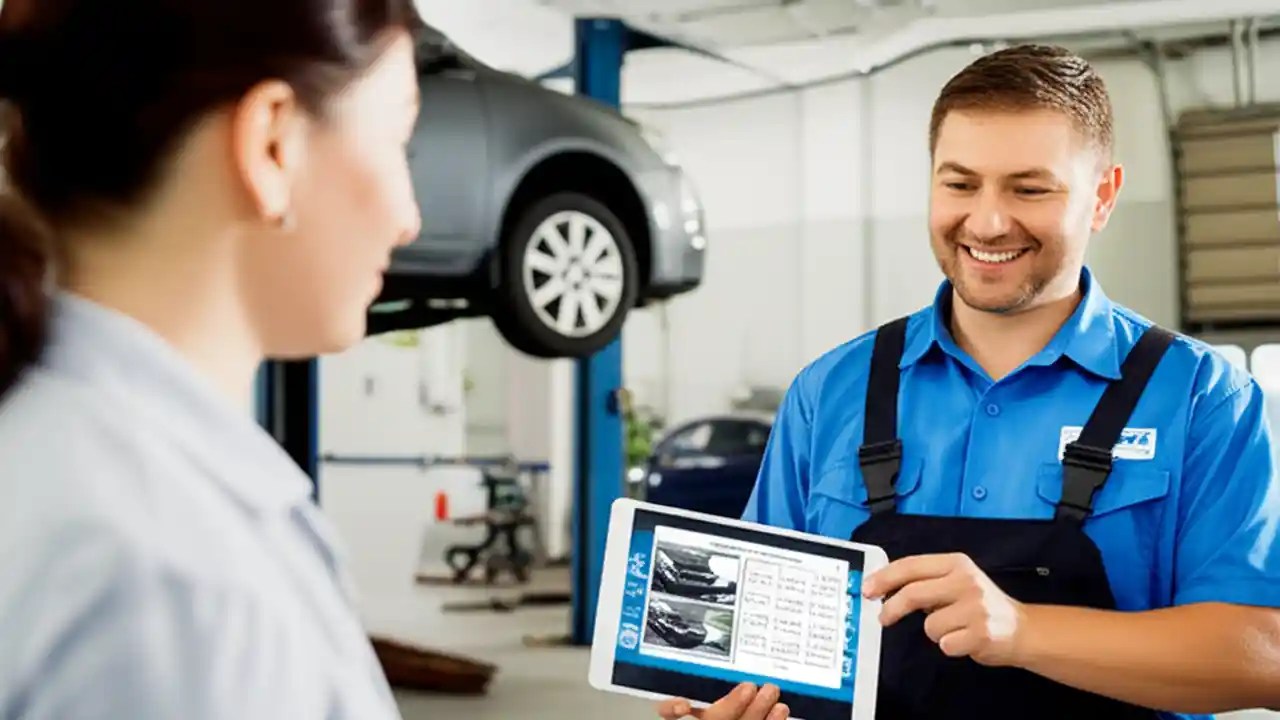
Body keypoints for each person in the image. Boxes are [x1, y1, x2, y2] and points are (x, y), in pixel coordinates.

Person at [657, 44, 1280, 720]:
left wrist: (1023, 630)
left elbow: (1261, 657)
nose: (986, 222)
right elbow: (756, 648)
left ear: (1102, 196)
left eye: (1029, 188)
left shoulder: (1202, 397)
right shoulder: (831, 392)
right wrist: (732, 704)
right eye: (959, 184)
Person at [0, 1, 424, 718]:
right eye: (398, 141)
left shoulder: (50, 446)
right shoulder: (177, 582)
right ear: (271, 145)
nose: (408, 215)